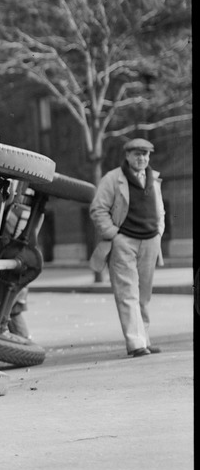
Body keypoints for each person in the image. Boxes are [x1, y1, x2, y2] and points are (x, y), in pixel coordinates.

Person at [89, 137, 165, 358]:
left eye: (145, 154)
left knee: (143, 295)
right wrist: (115, 235)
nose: (142, 158)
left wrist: (159, 231)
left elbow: (160, 210)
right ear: (127, 156)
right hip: (124, 242)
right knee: (127, 292)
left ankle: (145, 340)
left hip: (150, 241)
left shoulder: (154, 178)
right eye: (137, 154)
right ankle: (136, 343)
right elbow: (98, 209)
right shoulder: (113, 179)